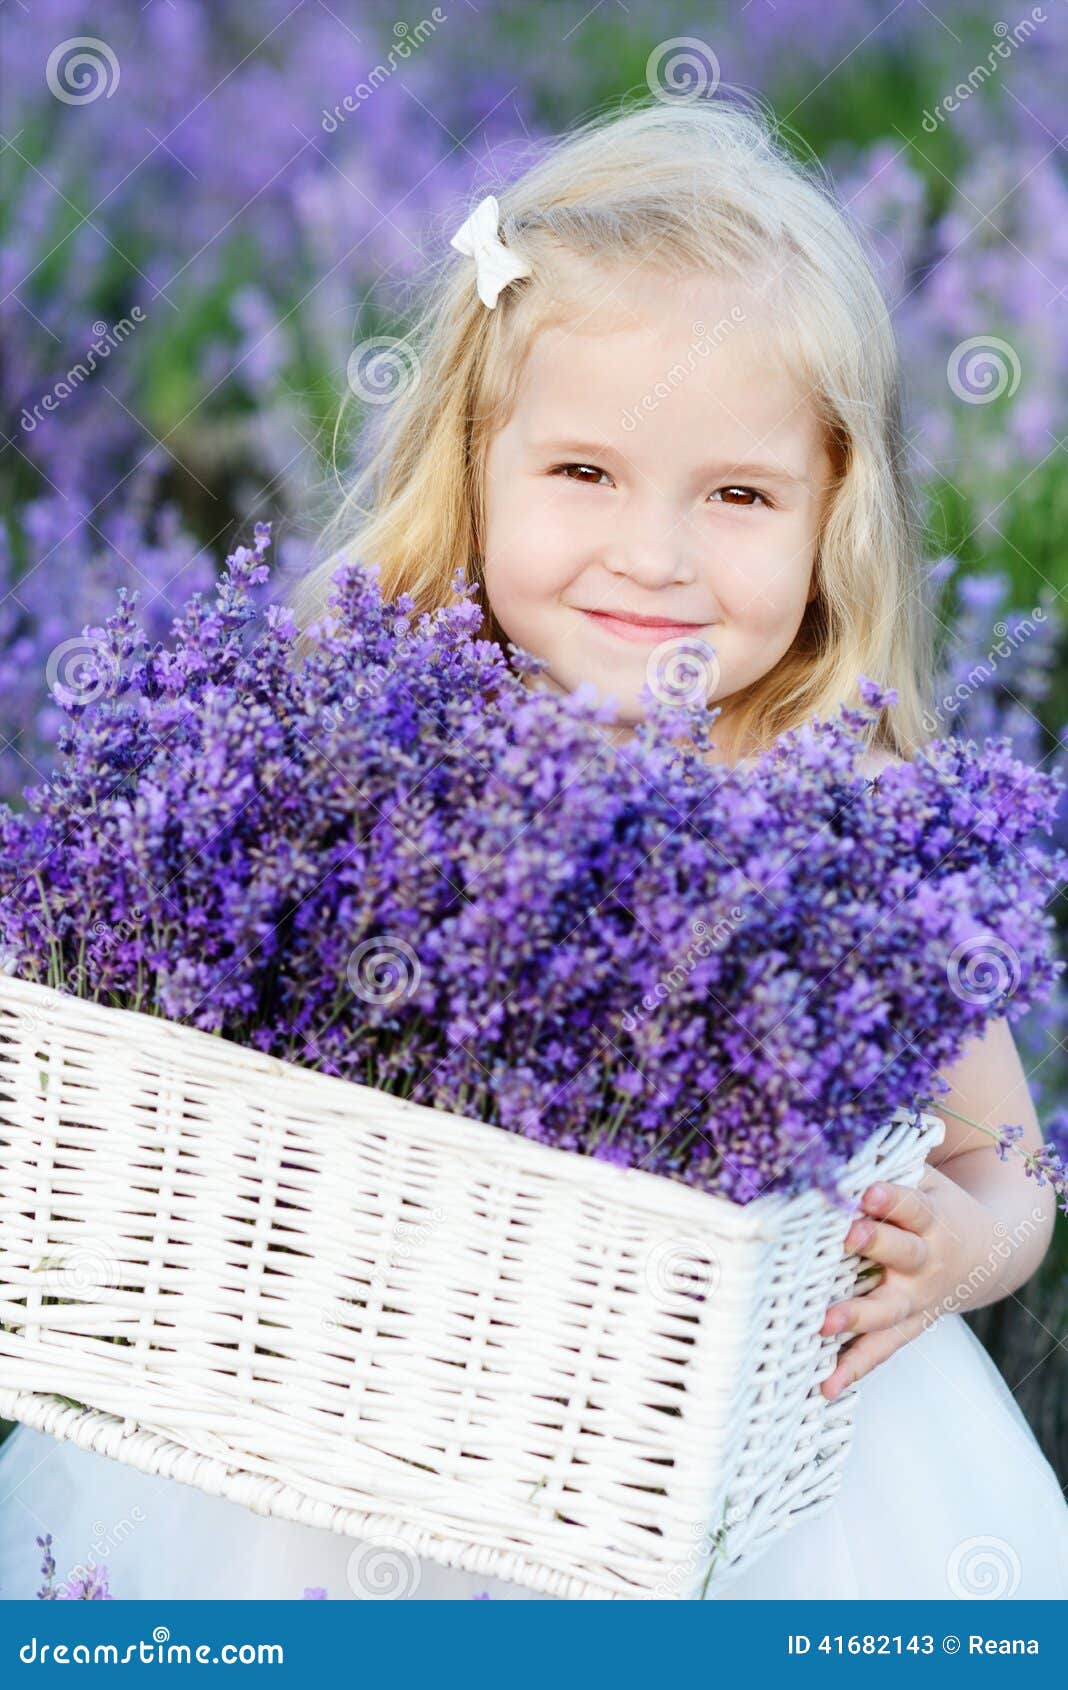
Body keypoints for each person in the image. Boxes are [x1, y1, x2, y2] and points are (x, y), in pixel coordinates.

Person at [2, 93, 1067, 1602]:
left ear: (838, 516)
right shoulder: (367, 746)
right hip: (360, 1422)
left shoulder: (852, 813)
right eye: (584, 474)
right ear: (476, 465)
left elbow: (1010, 1151)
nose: (655, 554)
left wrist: (958, 1246)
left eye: (741, 495)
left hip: (766, 1481)